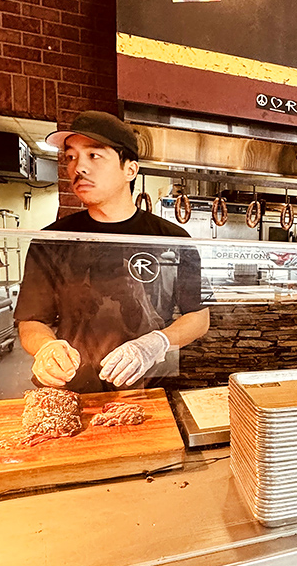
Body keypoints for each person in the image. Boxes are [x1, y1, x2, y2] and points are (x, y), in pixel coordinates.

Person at [14, 111, 210, 393]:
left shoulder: (171, 239)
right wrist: (46, 348)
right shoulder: (52, 241)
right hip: (72, 386)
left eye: (94, 156)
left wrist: (154, 343)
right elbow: (31, 320)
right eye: (71, 157)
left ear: (130, 169)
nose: (78, 167)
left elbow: (199, 318)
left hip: (148, 387)